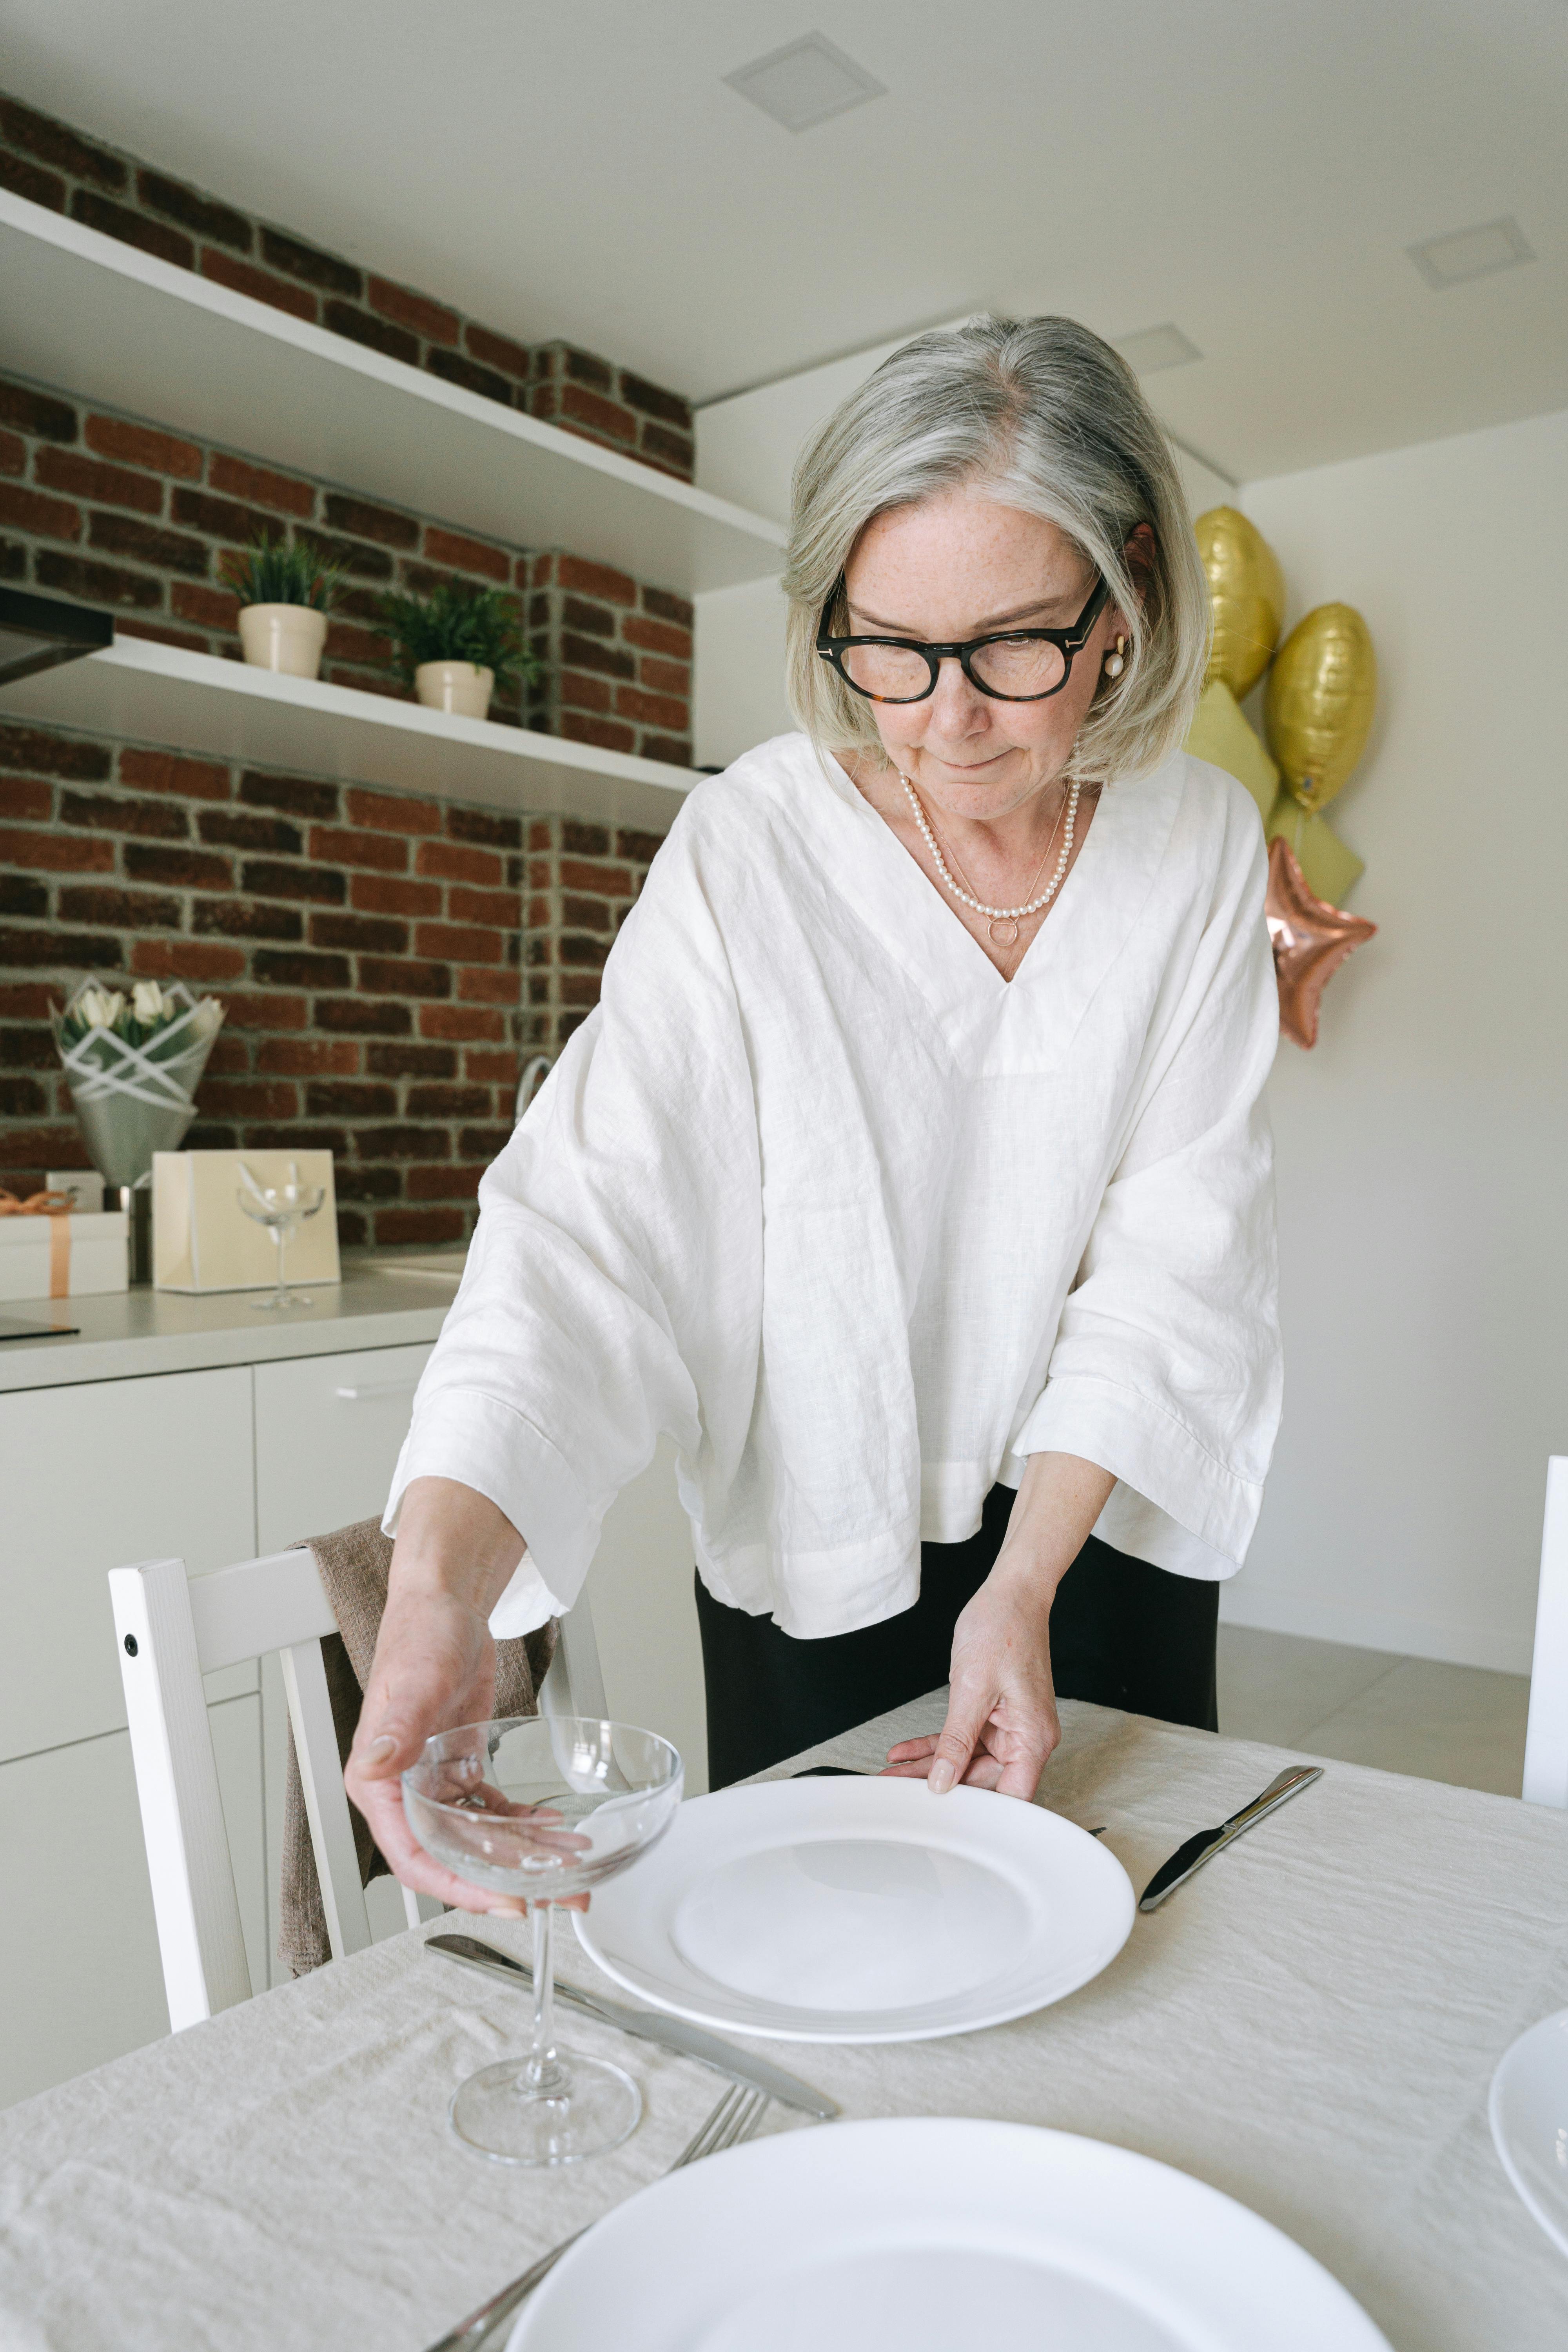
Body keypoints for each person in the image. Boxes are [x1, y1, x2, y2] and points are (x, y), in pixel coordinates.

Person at [345, 314, 1281, 1913]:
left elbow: (1174, 1255)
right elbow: (592, 1232)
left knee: (1129, 1972)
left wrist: (1021, 1585)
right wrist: (436, 1583)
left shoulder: (1193, 841)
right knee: (832, 1989)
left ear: (1124, 594)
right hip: (823, 1561)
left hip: (1089, 1544)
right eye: (889, 648)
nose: (946, 719)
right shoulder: (749, 848)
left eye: (1011, 649)